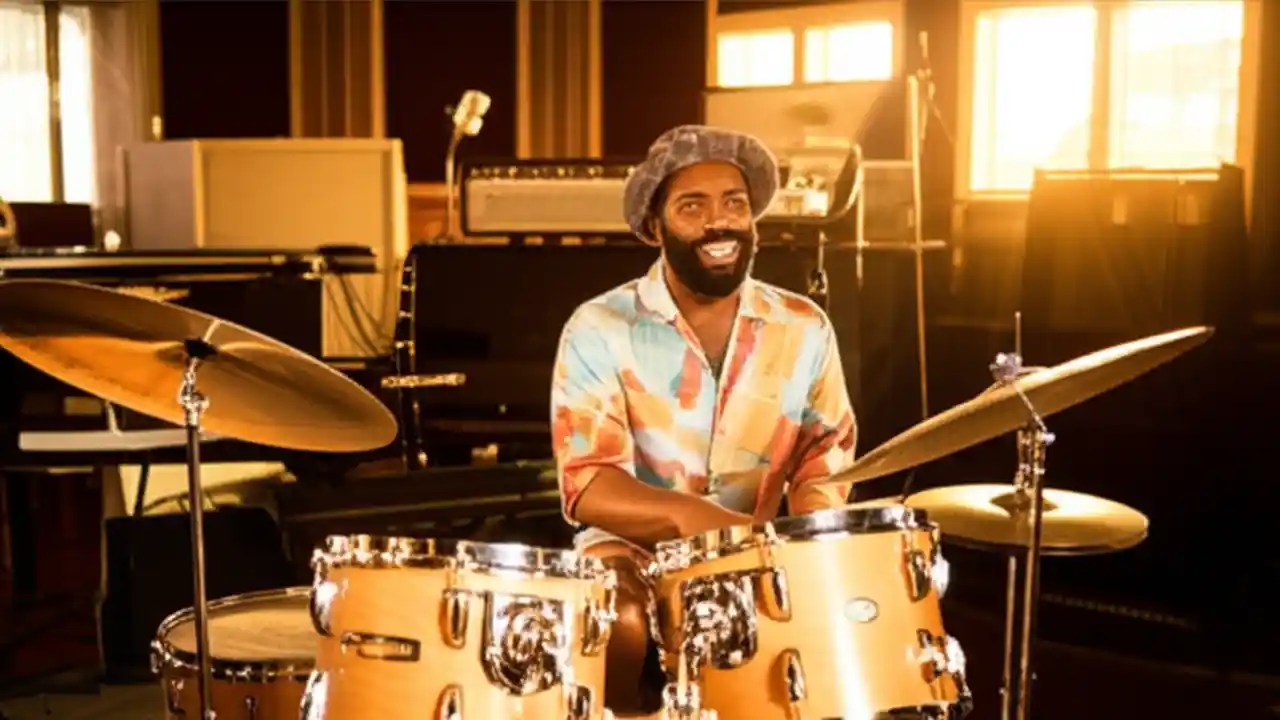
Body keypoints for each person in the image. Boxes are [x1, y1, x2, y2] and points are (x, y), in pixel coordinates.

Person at [550, 125, 857, 716]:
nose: (719, 223)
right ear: (656, 226)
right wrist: (713, 526)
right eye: (693, 206)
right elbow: (587, 484)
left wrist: (807, 552)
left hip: (763, 552)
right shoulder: (598, 326)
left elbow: (825, 457)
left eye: (734, 204)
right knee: (619, 620)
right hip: (627, 552)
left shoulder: (804, 325)